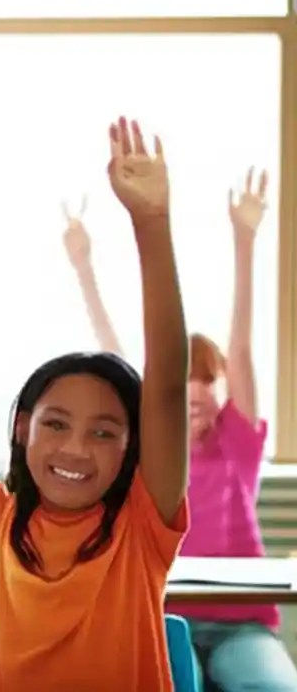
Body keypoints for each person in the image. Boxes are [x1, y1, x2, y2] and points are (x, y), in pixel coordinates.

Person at [0, 121, 189, 689]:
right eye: (56, 424)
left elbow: (166, 387)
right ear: (22, 428)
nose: (76, 449)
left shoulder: (142, 522)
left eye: (105, 432)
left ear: (132, 446)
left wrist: (152, 222)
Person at [63, 168, 297, 691]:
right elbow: (112, 355)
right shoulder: (150, 443)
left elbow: (240, 349)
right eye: (184, 378)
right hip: (163, 617)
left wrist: (245, 241)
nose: (195, 389)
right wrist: (83, 266)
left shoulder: (236, 444)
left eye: (207, 378)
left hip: (243, 627)